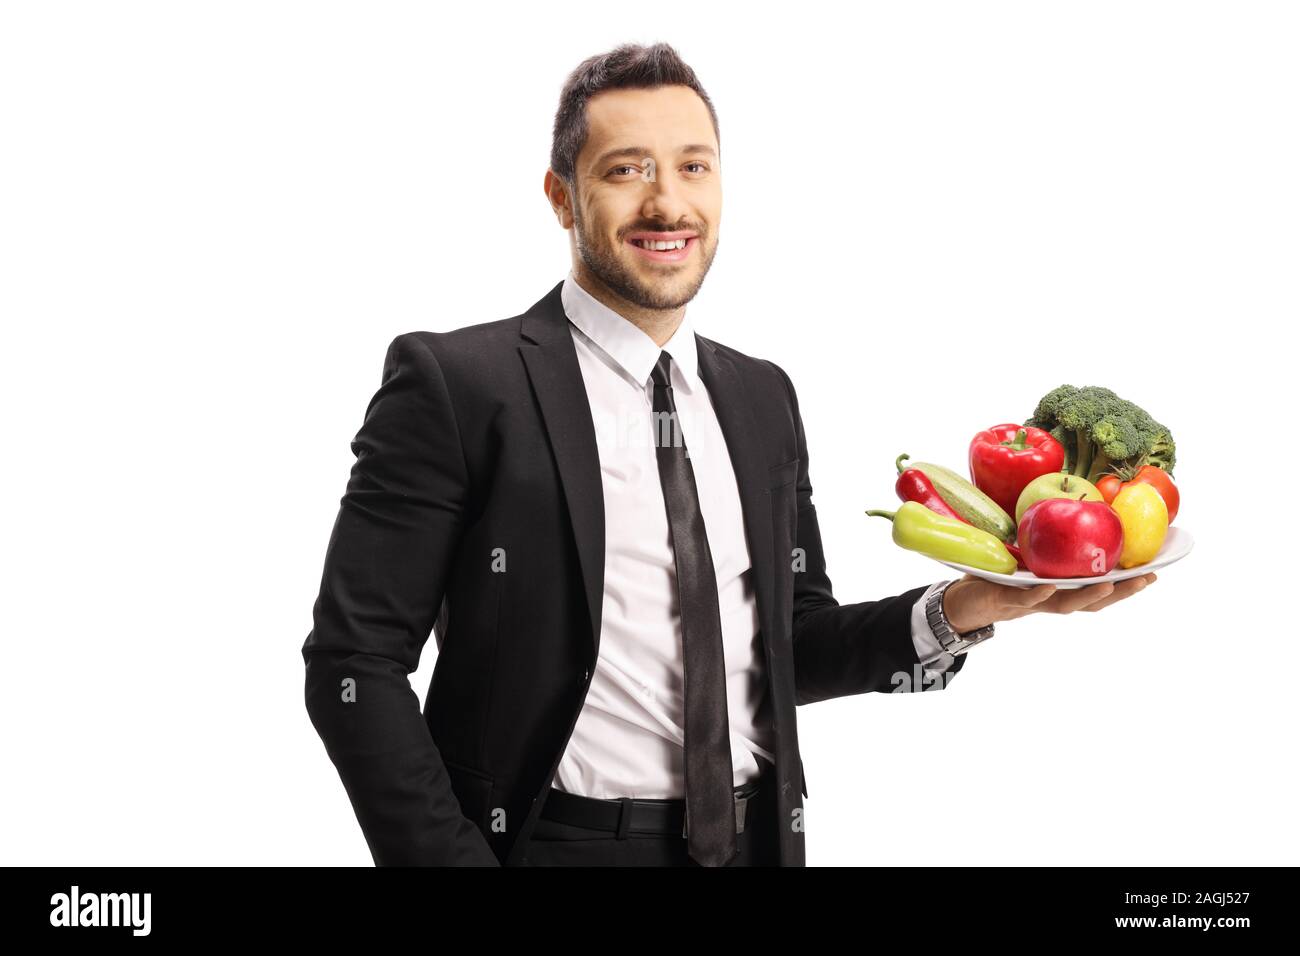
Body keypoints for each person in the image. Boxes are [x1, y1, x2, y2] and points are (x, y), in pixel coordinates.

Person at [301, 41, 1156, 867]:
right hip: (554, 843)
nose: (668, 203)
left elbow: (790, 643)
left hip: (759, 842)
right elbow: (354, 661)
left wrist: (965, 608)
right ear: (562, 197)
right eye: (626, 168)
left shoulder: (761, 395)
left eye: (694, 167)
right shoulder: (458, 383)